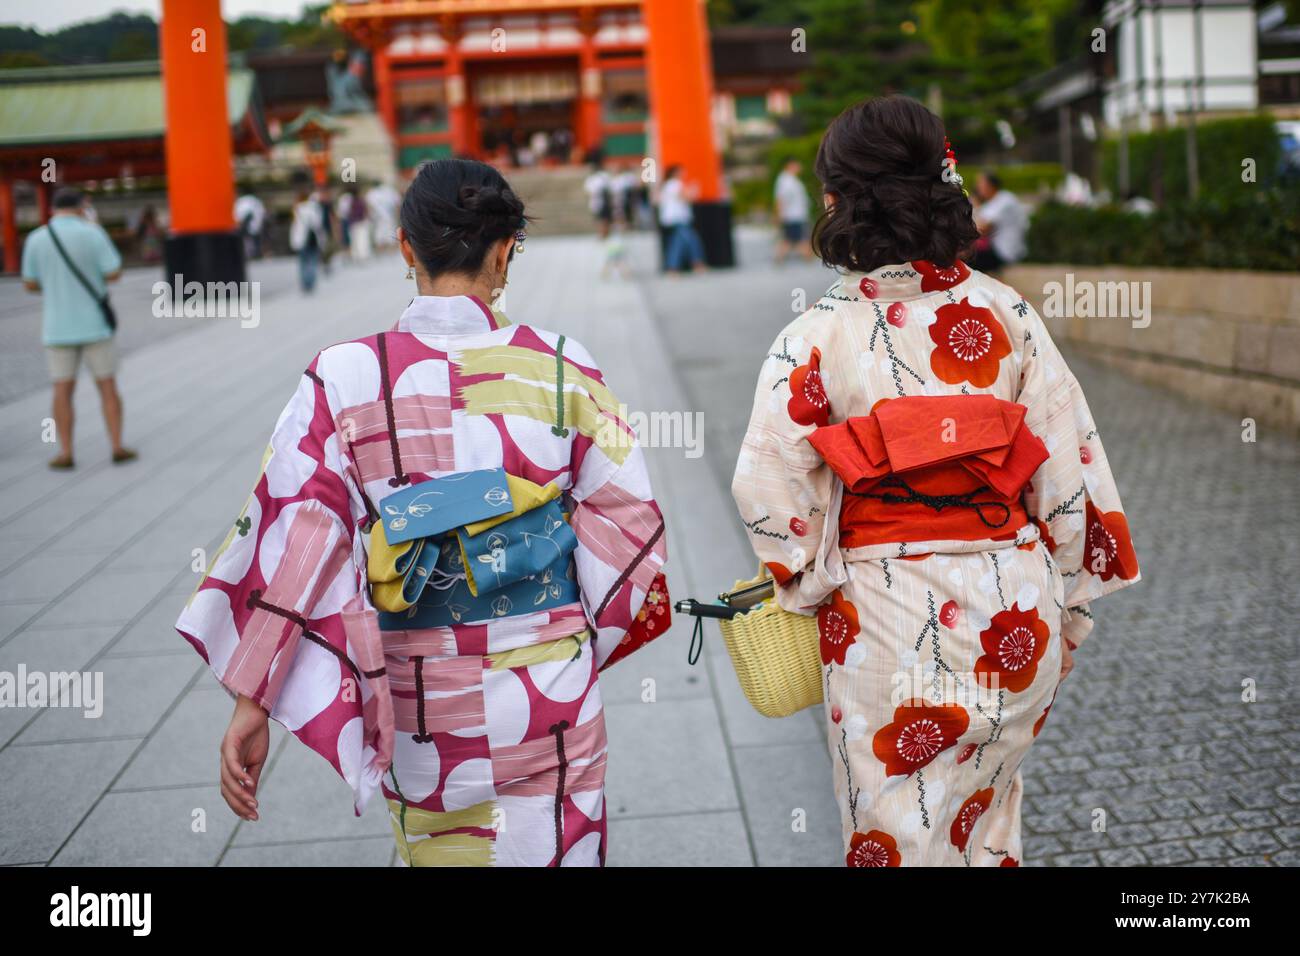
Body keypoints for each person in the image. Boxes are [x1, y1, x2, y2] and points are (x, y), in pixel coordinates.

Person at [176, 158, 670, 867]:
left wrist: (253, 699)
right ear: (505, 252)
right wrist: (571, 636)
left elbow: (301, 538)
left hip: (420, 702)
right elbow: (631, 524)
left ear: (405, 247)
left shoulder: (344, 375)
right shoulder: (565, 365)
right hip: (551, 691)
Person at [731, 95, 1139, 867]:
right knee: (984, 824)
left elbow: (771, 497)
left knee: (896, 836)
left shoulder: (814, 337)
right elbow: (1070, 470)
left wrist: (810, 589)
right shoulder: (1004, 312)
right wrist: (1071, 609)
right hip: (1017, 611)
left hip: (884, 616)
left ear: (835, 201)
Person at [21, 186, 136, 469]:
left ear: (52, 208)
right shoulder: (92, 233)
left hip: (57, 326)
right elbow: (114, 272)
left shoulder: (37, 238)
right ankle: (117, 445)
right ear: (81, 207)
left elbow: (30, 282)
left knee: (62, 390)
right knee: (107, 385)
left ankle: (66, 452)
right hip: (95, 324)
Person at [969, 171, 1027, 273]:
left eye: (980, 184)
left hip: (1005, 253)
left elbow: (981, 228)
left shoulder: (1004, 200)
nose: (977, 188)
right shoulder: (995, 201)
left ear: (990, 186)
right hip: (998, 250)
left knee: (963, 260)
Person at [658, 165, 706, 274]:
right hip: (678, 218)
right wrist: (694, 189)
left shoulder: (667, 185)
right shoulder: (675, 184)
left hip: (672, 218)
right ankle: (695, 264)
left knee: (678, 243)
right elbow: (686, 197)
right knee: (689, 241)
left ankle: (675, 268)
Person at [773, 158, 812, 263]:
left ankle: (807, 257)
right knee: (796, 239)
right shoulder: (785, 181)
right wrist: (779, 215)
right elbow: (780, 199)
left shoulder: (792, 179)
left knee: (793, 238)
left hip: (797, 215)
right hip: (792, 216)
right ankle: (807, 257)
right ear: (791, 165)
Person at [289, 190, 326, 292]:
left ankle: (305, 283)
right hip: (313, 239)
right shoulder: (314, 208)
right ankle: (311, 282)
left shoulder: (296, 209)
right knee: (313, 261)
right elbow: (317, 224)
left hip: (301, 240)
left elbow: (295, 227)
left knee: (303, 262)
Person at [234, 192, 266, 260]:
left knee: (252, 240)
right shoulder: (250, 202)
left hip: (250, 226)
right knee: (252, 240)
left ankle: (255, 253)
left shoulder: (245, 202)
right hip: (250, 226)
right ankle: (254, 253)